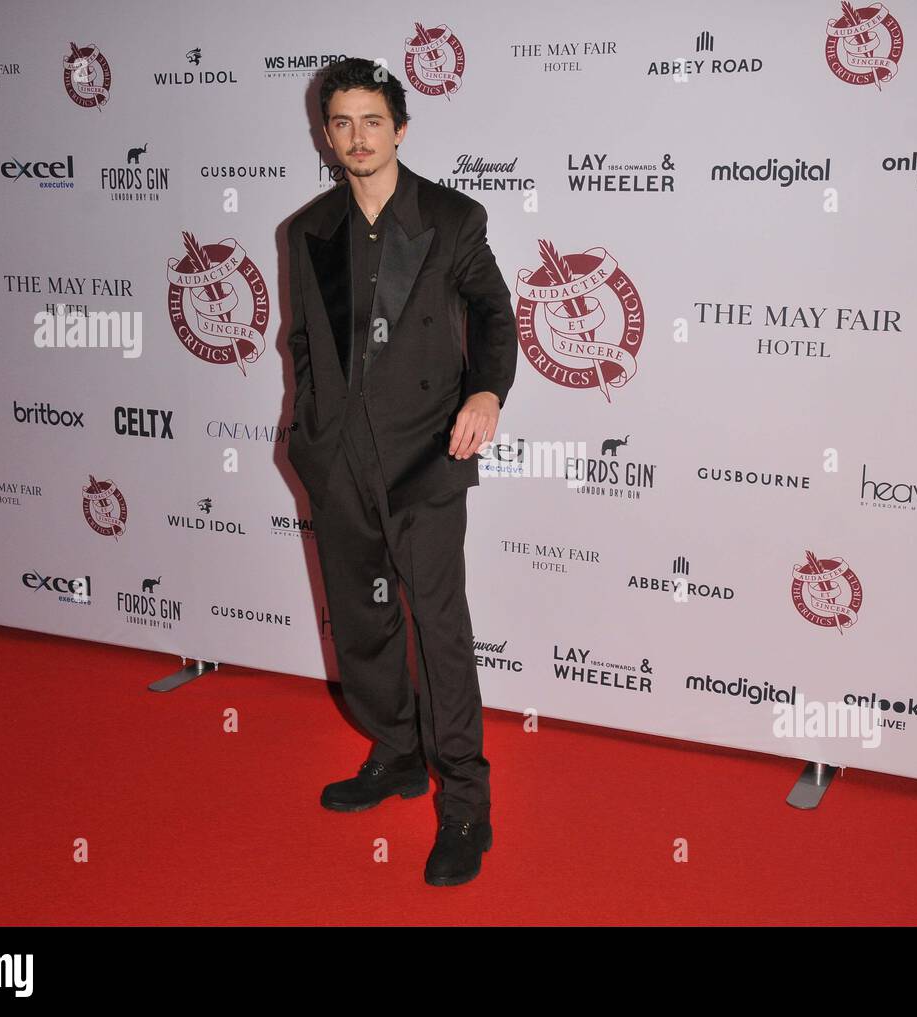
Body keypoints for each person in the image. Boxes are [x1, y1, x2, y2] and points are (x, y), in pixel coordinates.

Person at [284, 58, 516, 886]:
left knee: (440, 630)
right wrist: (310, 434)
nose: (356, 137)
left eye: (371, 122)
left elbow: (494, 313)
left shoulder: (451, 218)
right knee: (361, 622)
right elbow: (305, 343)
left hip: (426, 454)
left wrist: (486, 390)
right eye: (340, 123)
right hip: (339, 460)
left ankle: (465, 804)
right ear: (326, 134)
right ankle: (396, 752)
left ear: (401, 128)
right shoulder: (307, 230)